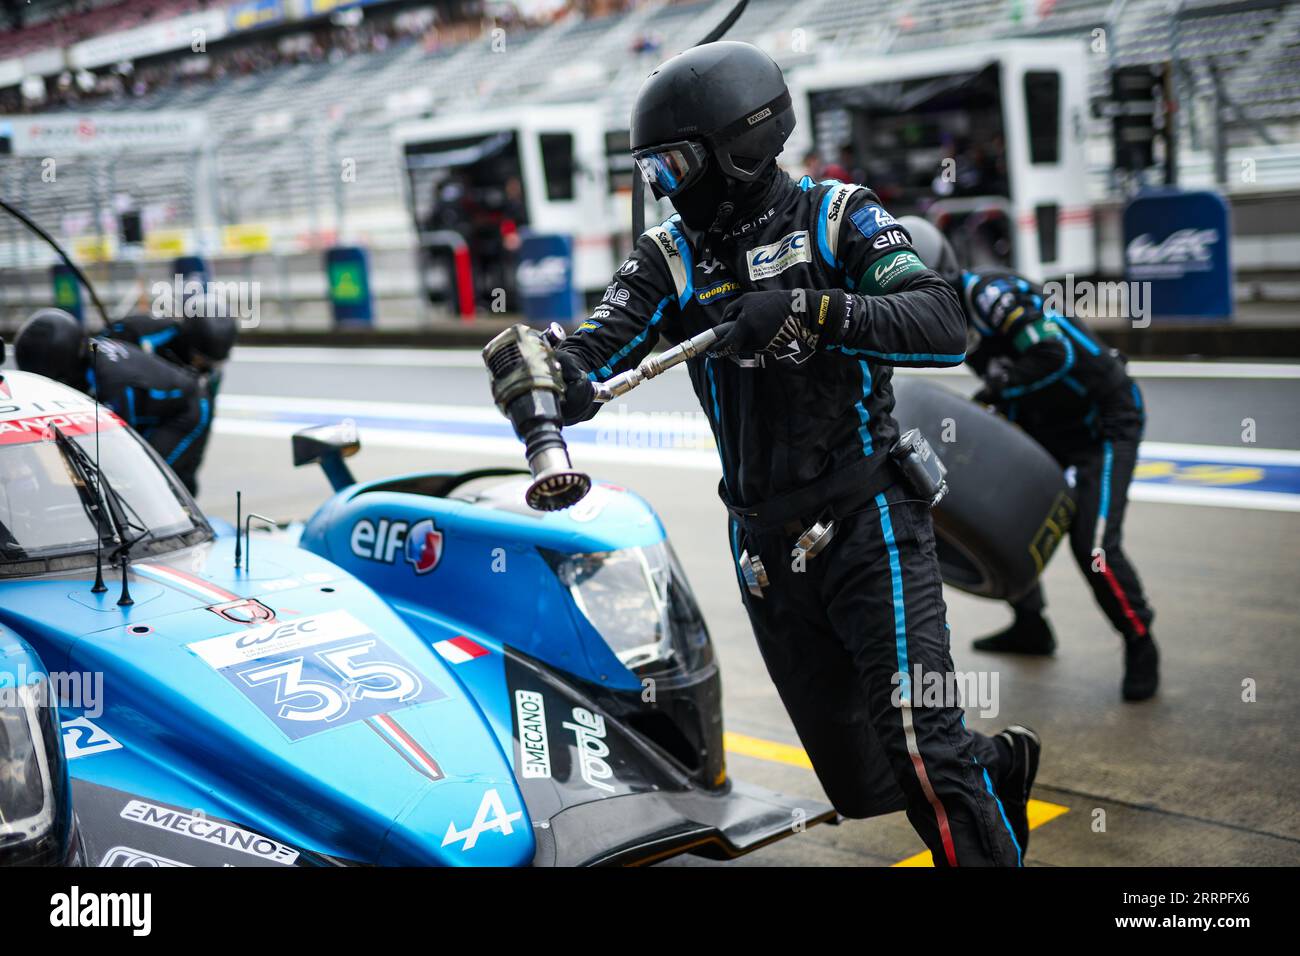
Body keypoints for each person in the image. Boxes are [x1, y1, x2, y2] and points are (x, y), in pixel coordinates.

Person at [554, 41, 1040, 866]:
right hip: (766, 549)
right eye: (651, 170)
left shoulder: (837, 214)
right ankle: (996, 765)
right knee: (866, 785)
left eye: (674, 165)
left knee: (925, 755)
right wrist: (551, 374)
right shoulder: (669, 253)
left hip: (871, 523)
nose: (663, 187)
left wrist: (811, 311)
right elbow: (596, 350)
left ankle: (969, 779)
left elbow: (941, 323)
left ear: (739, 147)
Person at [903, 216, 1159, 702]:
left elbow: (1053, 354)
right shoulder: (951, 321)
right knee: (1002, 515)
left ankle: (1140, 641)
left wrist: (992, 394)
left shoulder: (989, 295)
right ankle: (1031, 626)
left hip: (1103, 421)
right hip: (1043, 421)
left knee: (1094, 547)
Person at [13, 309, 211, 496]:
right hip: (151, 401)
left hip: (188, 409)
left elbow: (119, 449)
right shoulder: (88, 353)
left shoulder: (113, 384)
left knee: (149, 478)